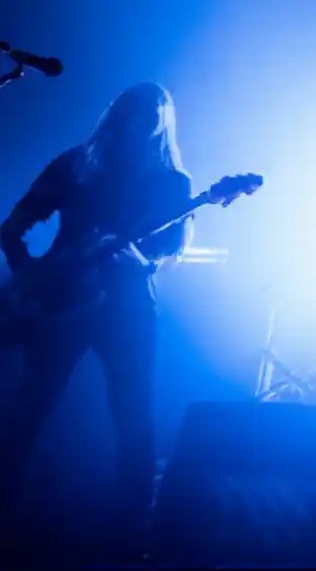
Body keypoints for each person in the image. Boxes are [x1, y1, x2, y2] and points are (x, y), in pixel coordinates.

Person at [0, 82, 193, 547]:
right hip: (63, 301)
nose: (140, 126)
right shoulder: (75, 165)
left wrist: (141, 262)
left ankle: (132, 528)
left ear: (160, 126)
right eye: (134, 115)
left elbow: (169, 248)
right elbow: (13, 226)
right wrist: (30, 275)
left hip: (127, 307)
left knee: (132, 411)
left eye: (150, 118)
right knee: (33, 407)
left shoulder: (173, 184)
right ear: (117, 116)